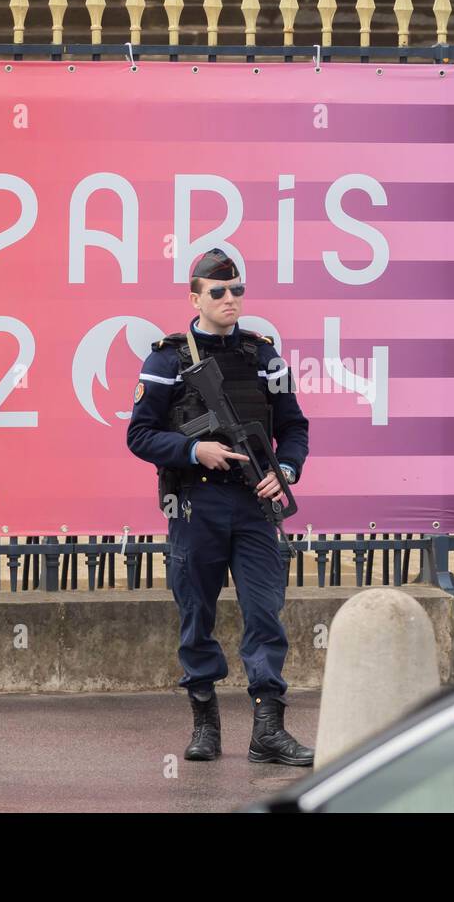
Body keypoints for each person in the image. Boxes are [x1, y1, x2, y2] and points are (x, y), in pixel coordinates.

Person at [126, 249, 314, 766]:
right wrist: (193, 449)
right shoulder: (167, 360)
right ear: (195, 298)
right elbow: (139, 435)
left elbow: (294, 427)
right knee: (196, 615)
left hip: (254, 504)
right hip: (196, 503)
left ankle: (268, 730)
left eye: (237, 291)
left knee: (265, 613)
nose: (230, 300)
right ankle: (205, 723)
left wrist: (286, 472)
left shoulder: (263, 356)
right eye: (218, 292)